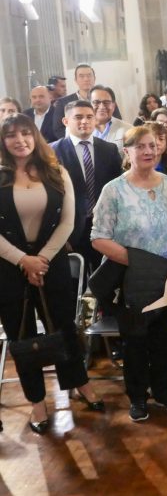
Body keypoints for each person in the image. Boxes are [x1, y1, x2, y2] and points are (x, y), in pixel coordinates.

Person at [0, 115, 104, 433]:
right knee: (23, 336)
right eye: (11, 135)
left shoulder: (56, 171)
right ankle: (37, 403)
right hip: (8, 268)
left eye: (25, 133)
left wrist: (41, 259)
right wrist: (24, 261)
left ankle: (81, 385)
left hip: (52, 264)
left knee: (63, 327)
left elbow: (68, 222)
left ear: (35, 137)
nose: (20, 140)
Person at [92, 125, 167, 422]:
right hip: (132, 279)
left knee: (162, 338)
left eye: (152, 145)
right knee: (135, 341)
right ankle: (137, 396)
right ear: (127, 152)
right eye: (140, 147)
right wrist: (137, 262)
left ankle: (163, 391)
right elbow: (98, 237)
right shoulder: (114, 190)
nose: (148, 151)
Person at [49, 101, 123, 270]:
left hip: (105, 229)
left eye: (89, 117)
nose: (85, 121)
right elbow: (51, 197)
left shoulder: (109, 149)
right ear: (66, 121)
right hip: (70, 229)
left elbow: (117, 190)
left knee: (104, 280)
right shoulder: (52, 152)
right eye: (78, 117)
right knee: (75, 284)